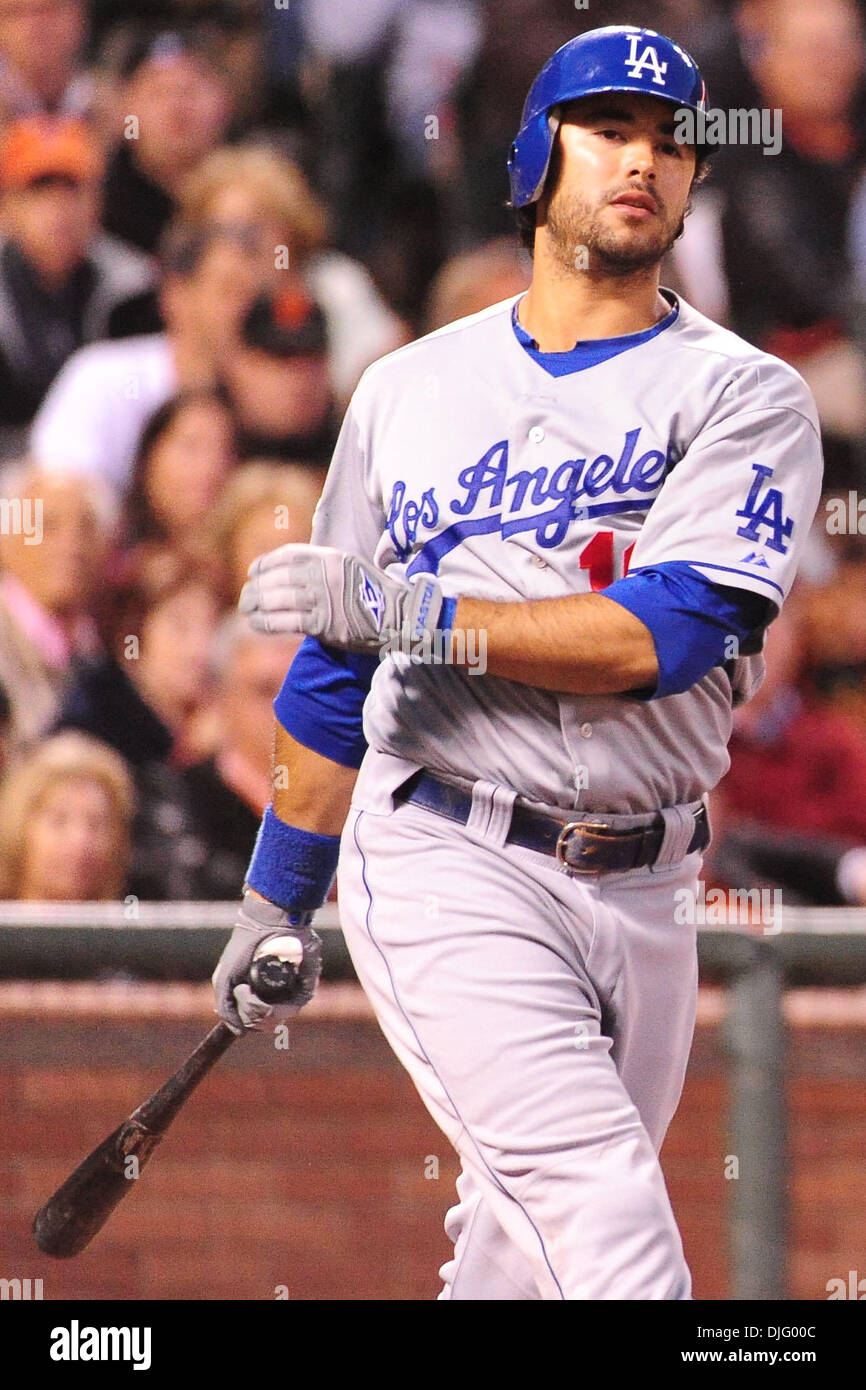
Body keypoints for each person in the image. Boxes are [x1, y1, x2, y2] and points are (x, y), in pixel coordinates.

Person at [212, 26, 824, 1300]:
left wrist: (417, 613)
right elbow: (336, 669)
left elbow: (663, 638)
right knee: (610, 1237)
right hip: (448, 848)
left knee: (519, 1257)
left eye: (670, 141)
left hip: (649, 878)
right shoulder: (407, 388)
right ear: (536, 155)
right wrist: (277, 896)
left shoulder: (744, 395)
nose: (642, 160)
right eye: (607, 130)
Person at [0, 115, 156, 457]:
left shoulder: (137, 287)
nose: (59, 211)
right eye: (39, 192)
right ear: (8, 206)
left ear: (97, 202)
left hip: (106, 465)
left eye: (72, 191)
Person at [0, 464, 113, 757]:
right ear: (6, 542)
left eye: (85, 529)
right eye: (48, 526)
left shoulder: (105, 647)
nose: (71, 545)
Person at [99, 26, 233, 255]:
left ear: (225, 101)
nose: (177, 108)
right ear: (125, 107)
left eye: (189, 91)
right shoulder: (100, 202)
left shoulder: (250, 198)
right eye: (158, 93)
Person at [0, 730, 133, 900]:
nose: (80, 841)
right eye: (59, 821)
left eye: (96, 824)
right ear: (18, 829)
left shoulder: (132, 918)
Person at [0, 0, 93, 131]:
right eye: (16, 12)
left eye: (50, 10)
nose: (36, 25)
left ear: (79, 15)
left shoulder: (117, 104)